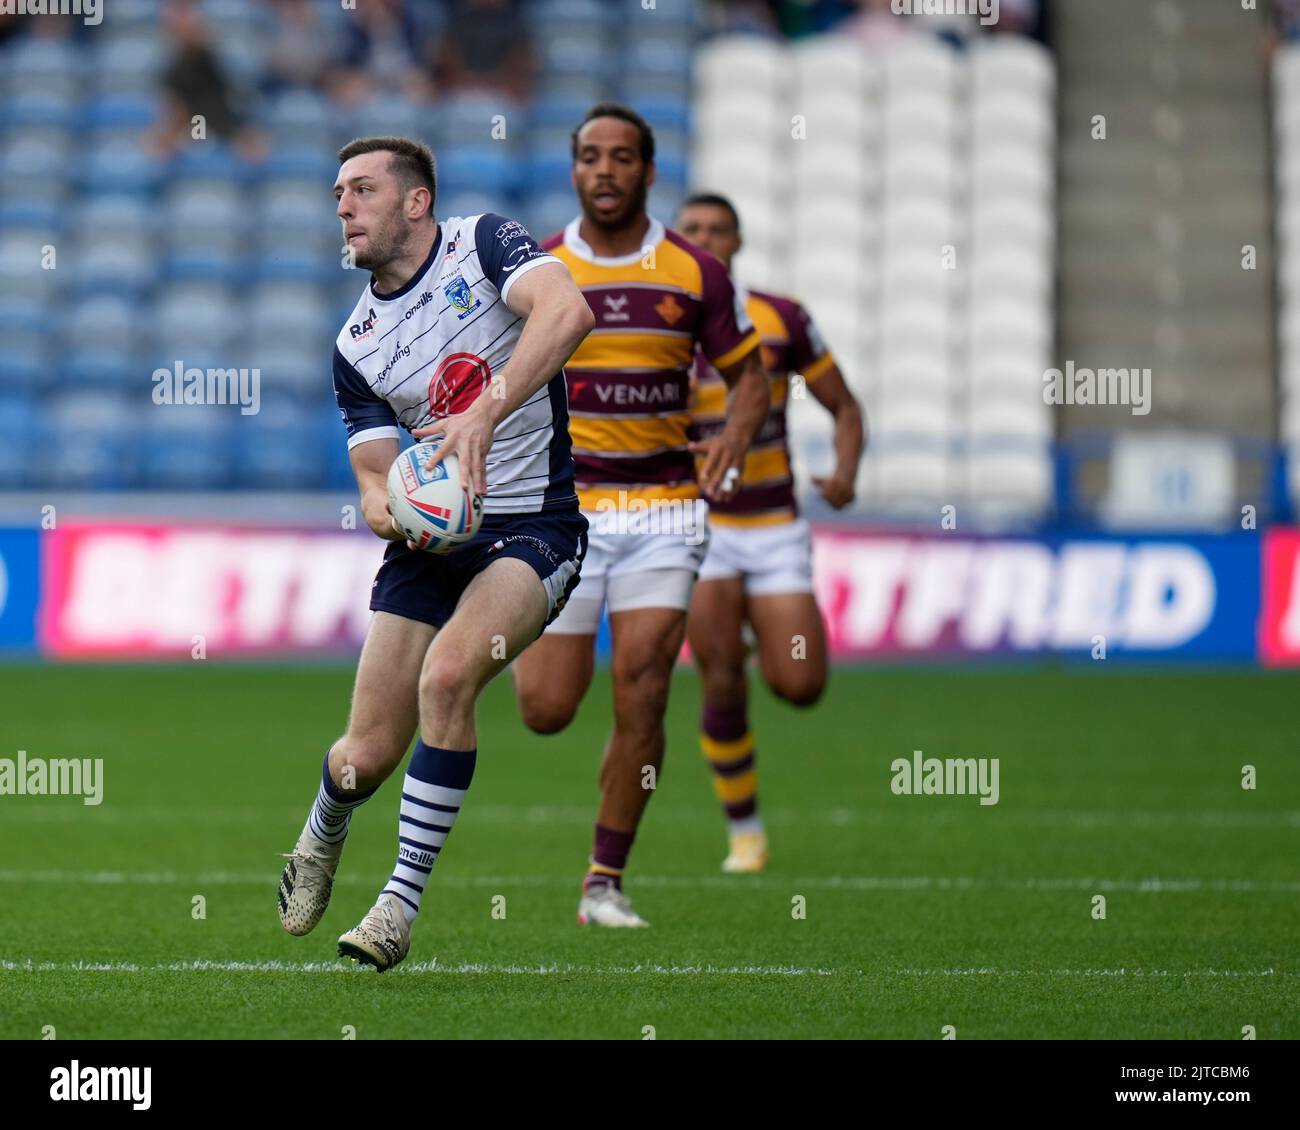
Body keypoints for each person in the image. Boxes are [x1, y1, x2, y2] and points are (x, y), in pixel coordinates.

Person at [276, 136, 595, 971]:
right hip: (431, 545)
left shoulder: (483, 243)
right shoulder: (356, 344)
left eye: (362, 190)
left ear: (416, 202)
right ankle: (325, 824)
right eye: (337, 192)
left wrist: (487, 410)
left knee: (451, 676)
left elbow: (569, 312)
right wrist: (396, 517)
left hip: (533, 524)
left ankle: (396, 907)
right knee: (363, 757)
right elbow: (375, 483)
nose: (342, 205)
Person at [511, 106, 771, 927]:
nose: (606, 170)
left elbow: (752, 376)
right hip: (566, 510)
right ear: (575, 170)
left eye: (623, 157)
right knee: (547, 709)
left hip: (663, 510)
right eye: (590, 156)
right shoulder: (540, 269)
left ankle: (603, 882)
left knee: (645, 689)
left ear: (649, 171)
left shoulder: (695, 272)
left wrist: (733, 432)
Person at [676, 192, 865, 872]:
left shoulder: (781, 319)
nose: (706, 239)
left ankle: (755, 626)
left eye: (717, 230)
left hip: (775, 524)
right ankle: (746, 834)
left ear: (738, 240)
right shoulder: (661, 319)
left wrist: (844, 471)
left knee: (801, 684)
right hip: (699, 529)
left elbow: (844, 405)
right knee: (721, 681)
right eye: (692, 229)